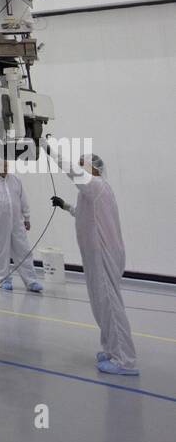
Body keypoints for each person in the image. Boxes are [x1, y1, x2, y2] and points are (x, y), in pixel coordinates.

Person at [47, 142, 138, 375]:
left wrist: (49, 149)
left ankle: (125, 361)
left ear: (93, 169)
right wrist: (65, 205)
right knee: (101, 304)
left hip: (104, 252)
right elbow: (83, 216)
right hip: (95, 254)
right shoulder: (90, 193)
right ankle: (110, 349)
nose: (79, 169)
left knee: (109, 304)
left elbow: (70, 171)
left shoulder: (97, 185)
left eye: (82, 165)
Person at [0, 156, 44, 292]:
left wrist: (27, 218)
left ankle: (31, 281)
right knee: (1, 252)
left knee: (23, 250)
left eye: (6, 165)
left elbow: (23, 199)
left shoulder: (15, 180)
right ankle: (4, 279)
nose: (5, 168)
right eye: (2, 166)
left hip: (17, 222)